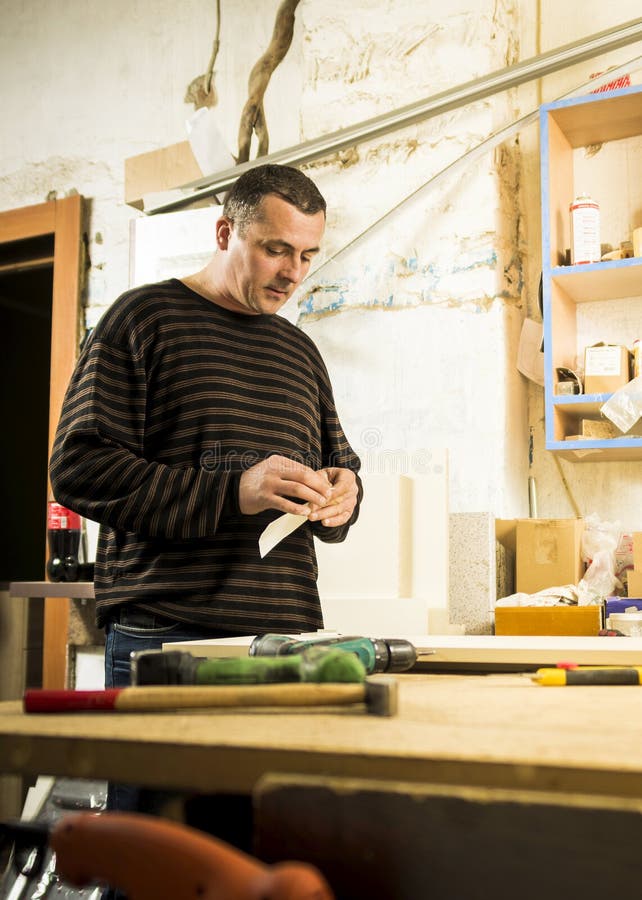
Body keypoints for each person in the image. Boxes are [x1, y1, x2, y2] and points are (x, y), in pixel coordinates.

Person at [50, 162, 362, 686]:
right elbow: (79, 467)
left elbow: (341, 467)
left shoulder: (299, 350)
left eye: (307, 254)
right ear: (225, 233)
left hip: (288, 636)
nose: (294, 273)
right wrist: (232, 491)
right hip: (168, 632)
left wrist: (343, 496)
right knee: (160, 773)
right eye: (276, 249)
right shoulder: (143, 319)